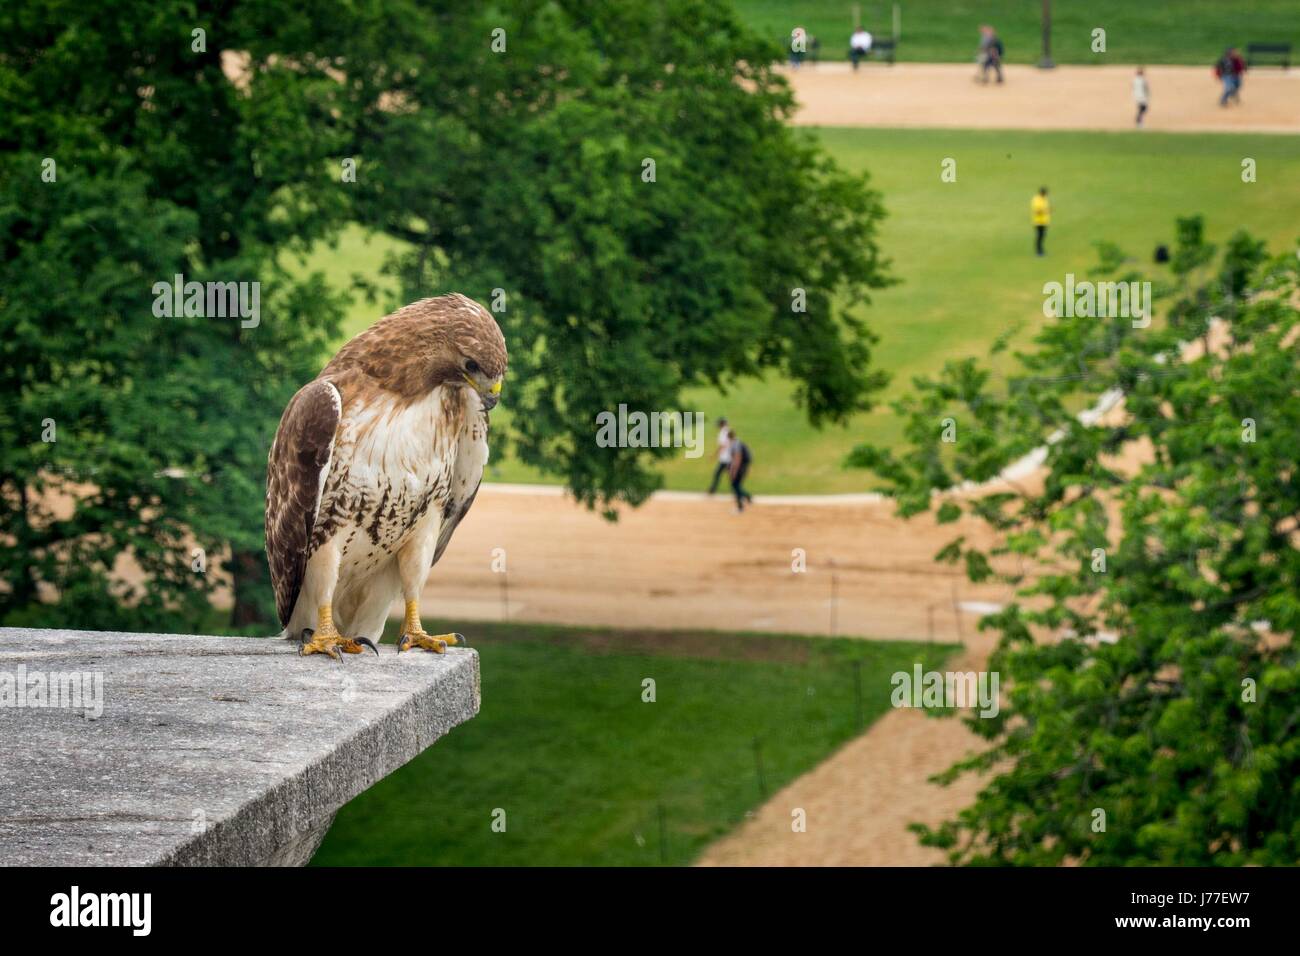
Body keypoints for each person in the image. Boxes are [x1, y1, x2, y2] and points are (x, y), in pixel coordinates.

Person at [728, 433, 753, 513]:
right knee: (736, 486)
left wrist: (734, 471)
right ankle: (747, 497)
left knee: (735, 486)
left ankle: (740, 507)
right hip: (743, 468)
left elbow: (737, 458)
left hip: (739, 468)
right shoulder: (740, 443)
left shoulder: (735, 445)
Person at [707, 417, 732, 494]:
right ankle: (713, 489)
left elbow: (722, 445)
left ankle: (712, 490)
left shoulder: (723, 433)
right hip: (729, 457)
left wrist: (714, 455)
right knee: (729, 475)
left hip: (725, 458)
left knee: (718, 474)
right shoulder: (729, 431)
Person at [1031, 187, 1051, 257]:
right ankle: (1038, 251)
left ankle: (1041, 250)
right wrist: (1045, 211)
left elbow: (1045, 208)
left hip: (1044, 221)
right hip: (1038, 222)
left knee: (1043, 236)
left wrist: (1048, 210)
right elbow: (1037, 211)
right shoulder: (1036, 200)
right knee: (1039, 237)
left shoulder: (1044, 199)